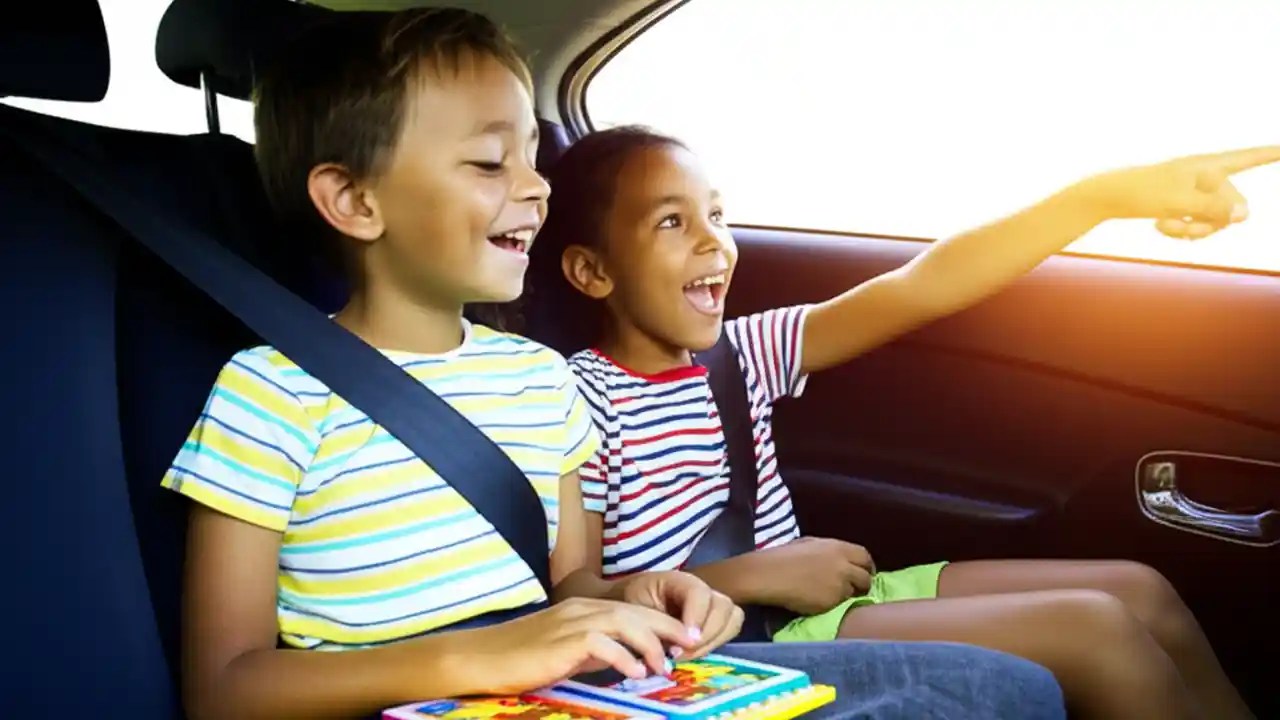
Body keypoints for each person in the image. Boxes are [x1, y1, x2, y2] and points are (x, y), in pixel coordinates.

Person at [160, 8, 1066, 720]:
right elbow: (225, 687)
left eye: (530, 155)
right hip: (416, 700)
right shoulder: (271, 393)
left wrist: (660, 590)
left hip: (572, 693)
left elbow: (576, 588)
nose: (535, 185)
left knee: (1007, 690)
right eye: (489, 162)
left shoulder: (539, 380)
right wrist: (477, 657)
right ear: (355, 202)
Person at [527, 124, 1278, 719]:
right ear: (593, 272)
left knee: (1140, 590)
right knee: (1096, 629)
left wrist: (1103, 198)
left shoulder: (745, 352)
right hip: (736, 638)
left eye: (716, 215)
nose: (711, 240)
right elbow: (576, 594)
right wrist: (748, 575)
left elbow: (924, 286)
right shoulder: (575, 398)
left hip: (825, 600)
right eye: (672, 221)